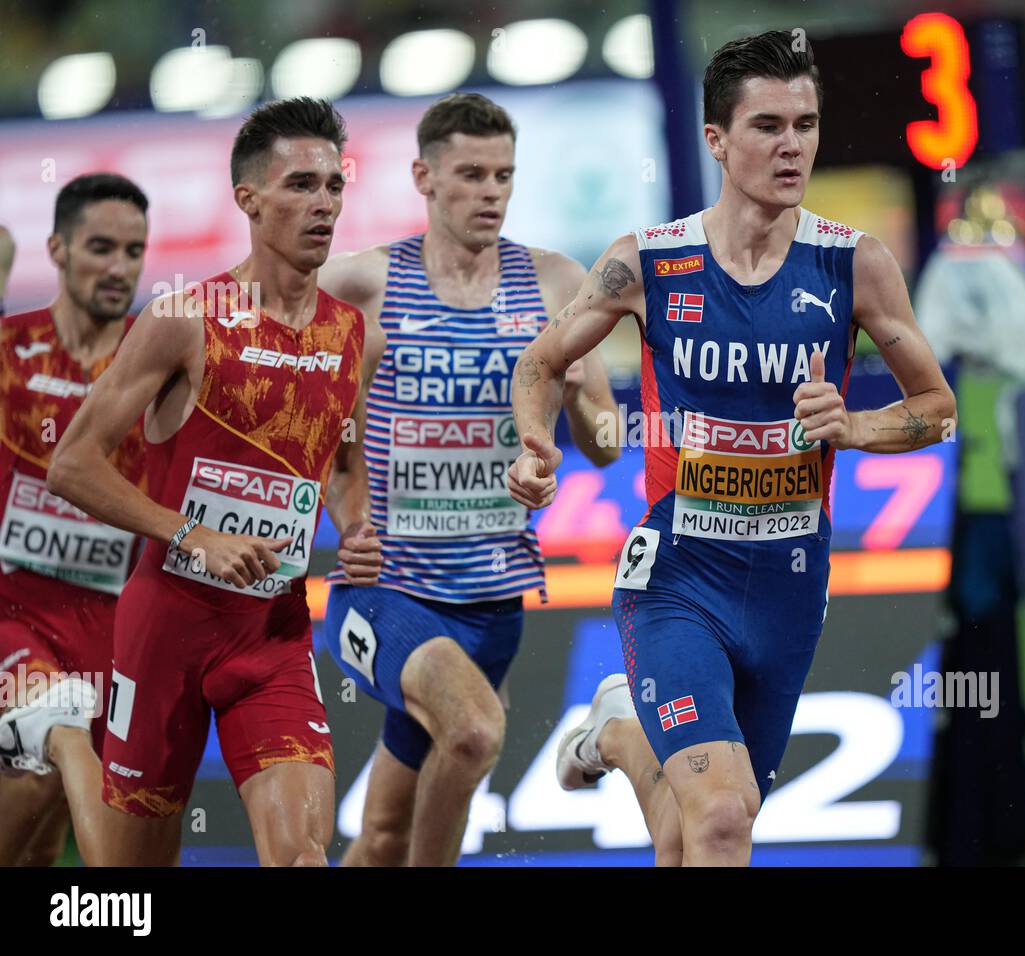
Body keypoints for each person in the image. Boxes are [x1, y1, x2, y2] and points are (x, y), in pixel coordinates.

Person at [508, 31, 956, 866]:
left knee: (693, 831)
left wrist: (855, 427)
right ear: (716, 139)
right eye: (767, 126)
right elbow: (542, 364)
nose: (792, 145)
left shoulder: (853, 264)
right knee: (722, 814)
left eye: (806, 124)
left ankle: (615, 731)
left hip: (790, 584)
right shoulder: (647, 263)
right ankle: (621, 724)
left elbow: (937, 409)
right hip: (678, 576)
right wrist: (536, 444)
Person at [0, 97, 384, 866]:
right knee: (128, 888)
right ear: (248, 199)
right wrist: (190, 533)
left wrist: (358, 526)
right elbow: (74, 463)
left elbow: (342, 458)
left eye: (334, 186)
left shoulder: (352, 332)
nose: (325, 204)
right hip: (161, 633)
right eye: (302, 185)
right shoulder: (183, 320)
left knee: (303, 857)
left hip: (270, 635)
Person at [319, 92, 619, 866]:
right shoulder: (361, 285)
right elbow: (319, 438)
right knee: (476, 730)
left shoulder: (555, 284)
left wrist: (581, 400)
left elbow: (609, 443)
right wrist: (347, 523)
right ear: (423, 176)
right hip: (387, 590)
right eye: (472, 174)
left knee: (383, 832)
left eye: (505, 176)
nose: (491, 191)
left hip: (492, 605)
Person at [0, 174, 150, 867]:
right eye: (100, 248)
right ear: (58, 249)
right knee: (55, 737)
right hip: (13, 616)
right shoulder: (8, 351)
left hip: (113, 633)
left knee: (40, 814)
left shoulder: (158, 371)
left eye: (134, 251)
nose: (119, 268)